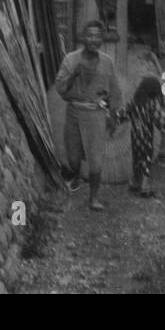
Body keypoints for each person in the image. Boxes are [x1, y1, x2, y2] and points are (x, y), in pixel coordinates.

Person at [54, 21, 123, 211]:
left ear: (102, 39)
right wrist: (73, 75)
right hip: (74, 112)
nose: (93, 40)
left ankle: (94, 197)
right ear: (83, 38)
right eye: (90, 35)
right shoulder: (70, 60)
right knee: (73, 156)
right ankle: (74, 175)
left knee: (95, 157)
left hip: (96, 113)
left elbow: (115, 91)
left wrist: (114, 114)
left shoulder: (107, 62)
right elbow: (61, 88)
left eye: (98, 36)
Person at [115, 76, 165, 197]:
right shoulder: (151, 105)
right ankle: (144, 187)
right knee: (146, 160)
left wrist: (114, 118)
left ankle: (134, 182)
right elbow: (160, 121)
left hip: (135, 137)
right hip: (146, 138)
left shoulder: (134, 103)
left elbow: (121, 114)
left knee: (137, 159)